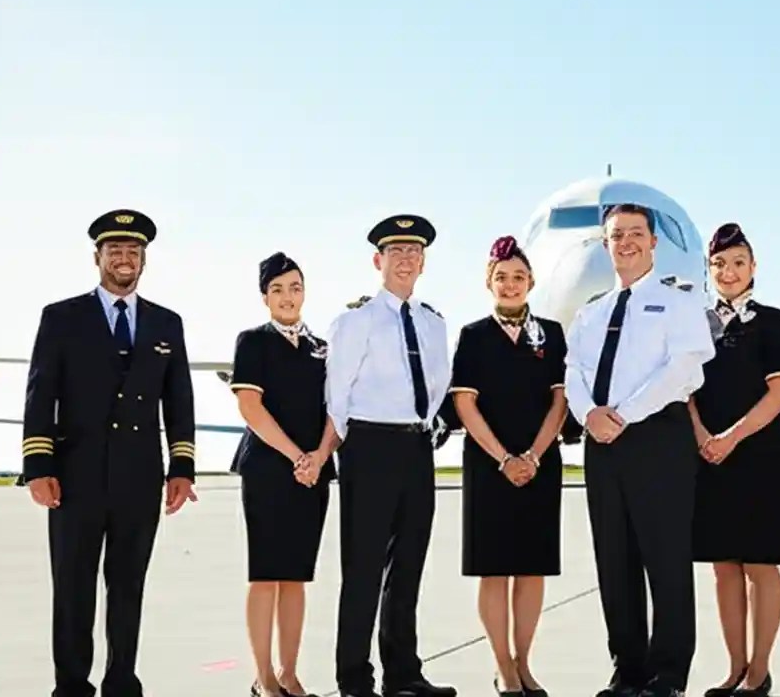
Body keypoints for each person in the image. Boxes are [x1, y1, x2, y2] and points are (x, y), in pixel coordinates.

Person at [18, 208, 198, 697]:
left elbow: (179, 401)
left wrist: (182, 466)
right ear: (97, 256)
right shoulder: (62, 318)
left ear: (144, 260)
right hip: (75, 478)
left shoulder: (166, 323)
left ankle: (122, 681)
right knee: (73, 588)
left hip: (140, 478)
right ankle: (72, 685)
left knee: (128, 587)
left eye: (134, 252)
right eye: (115, 250)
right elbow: (40, 395)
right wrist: (38, 466)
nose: (125, 258)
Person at [564, 203, 715, 697]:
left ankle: (667, 675)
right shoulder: (591, 313)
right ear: (605, 245)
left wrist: (623, 413)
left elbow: (684, 367)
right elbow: (575, 374)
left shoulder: (679, 302)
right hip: (602, 442)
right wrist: (589, 414)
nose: (625, 242)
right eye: (616, 235)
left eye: (635, 233)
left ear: (653, 243)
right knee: (615, 559)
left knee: (665, 557)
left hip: (656, 436)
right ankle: (626, 670)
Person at [324, 214, 456, 697]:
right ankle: (354, 677)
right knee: (361, 568)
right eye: (395, 251)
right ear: (378, 261)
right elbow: (337, 393)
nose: (406, 259)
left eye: (414, 251)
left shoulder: (434, 323)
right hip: (369, 446)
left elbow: (438, 385)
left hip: (416, 448)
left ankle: (404, 673)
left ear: (423, 261)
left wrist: (430, 425)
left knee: (408, 567)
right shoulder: (355, 321)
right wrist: (335, 449)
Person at [449, 235, 569, 696]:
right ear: (489, 282)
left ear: (531, 282)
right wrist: (503, 459)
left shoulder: (552, 334)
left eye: (519, 276)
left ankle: (524, 661)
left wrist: (534, 456)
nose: (511, 284)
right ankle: (503, 665)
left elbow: (560, 400)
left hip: (540, 463)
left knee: (532, 567)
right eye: (502, 277)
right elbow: (465, 403)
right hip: (488, 466)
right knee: (494, 569)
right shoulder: (474, 336)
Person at [688, 223, 780, 697]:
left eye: (737, 263)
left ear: (753, 268)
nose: (728, 272)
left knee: (760, 565)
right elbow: (685, 387)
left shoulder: (772, 321)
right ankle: (735, 667)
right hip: (709, 457)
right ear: (708, 270)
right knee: (723, 566)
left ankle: (760, 669)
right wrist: (702, 437)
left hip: (759, 458)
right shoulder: (697, 322)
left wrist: (730, 437)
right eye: (719, 264)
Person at [228, 252, 338, 697]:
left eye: (294, 287)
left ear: (305, 292)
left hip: (313, 472)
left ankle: (289, 673)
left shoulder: (322, 348)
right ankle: (264, 677)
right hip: (269, 470)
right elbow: (250, 406)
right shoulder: (252, 342)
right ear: (264, 297)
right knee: (266, 574)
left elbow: (337, 409)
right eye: (277, 289)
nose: (287, 296)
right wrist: (298, 457)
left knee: (296, 576)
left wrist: (319, 455)